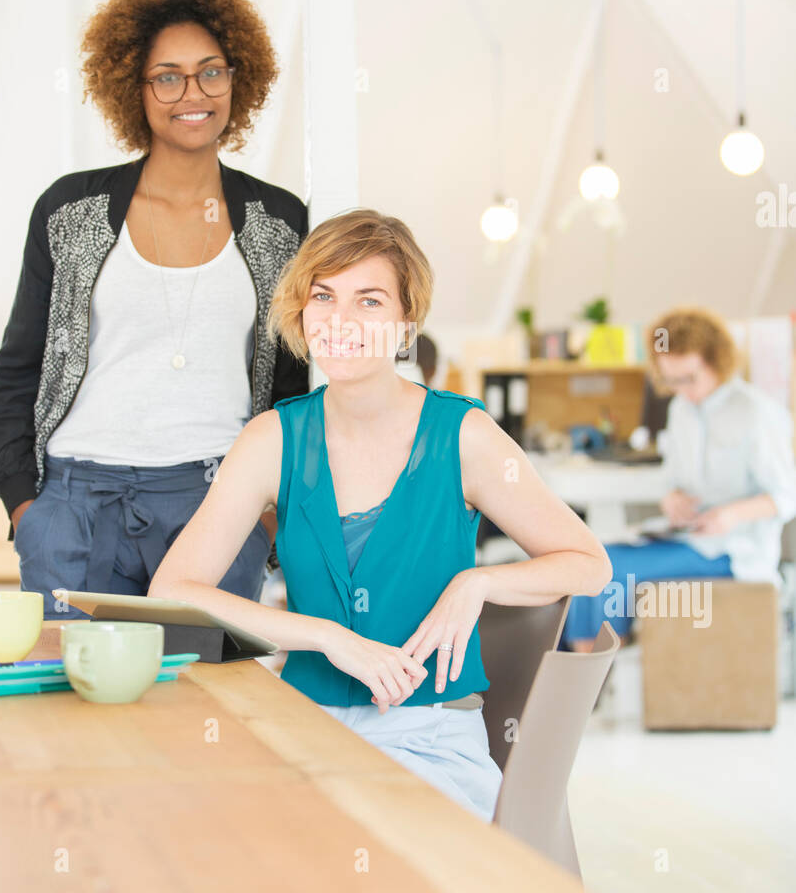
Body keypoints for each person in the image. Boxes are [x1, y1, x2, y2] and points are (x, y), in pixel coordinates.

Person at [148, 209, 612, 821]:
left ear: (404, 324)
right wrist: (326, 637)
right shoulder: (274, 439)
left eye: (369, 301)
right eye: (324, 296)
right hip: (303, 729)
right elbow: (173, 591)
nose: (340, 322)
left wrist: (478, 583)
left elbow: (590, 565)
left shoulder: (463, 435)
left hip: (431, 739)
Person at [0, 0, 309, 628]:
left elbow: (293, 395)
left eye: (212, 71)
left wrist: (264, 518)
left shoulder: (281, 222)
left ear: (238, 79)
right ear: (135, 86)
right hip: (75, 505)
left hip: (218, 507)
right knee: (74, 718)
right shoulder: (70, 210)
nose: (194, 92)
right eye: (168, 76)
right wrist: (28, 510)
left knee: (207, 713)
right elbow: (13, 377)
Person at [562, 306, 796, 651]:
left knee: (609, 572)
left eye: (689, 378)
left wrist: (730, 515)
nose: (682, 389)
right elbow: (670, 479)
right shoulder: (681, 411)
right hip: (688, 538)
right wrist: (671, 498)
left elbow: (786, 496)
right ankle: (585, 671)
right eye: (671, 380)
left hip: (735, 549)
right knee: (589, 557)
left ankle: (590, 678)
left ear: (717, 362)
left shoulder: (756, 412)